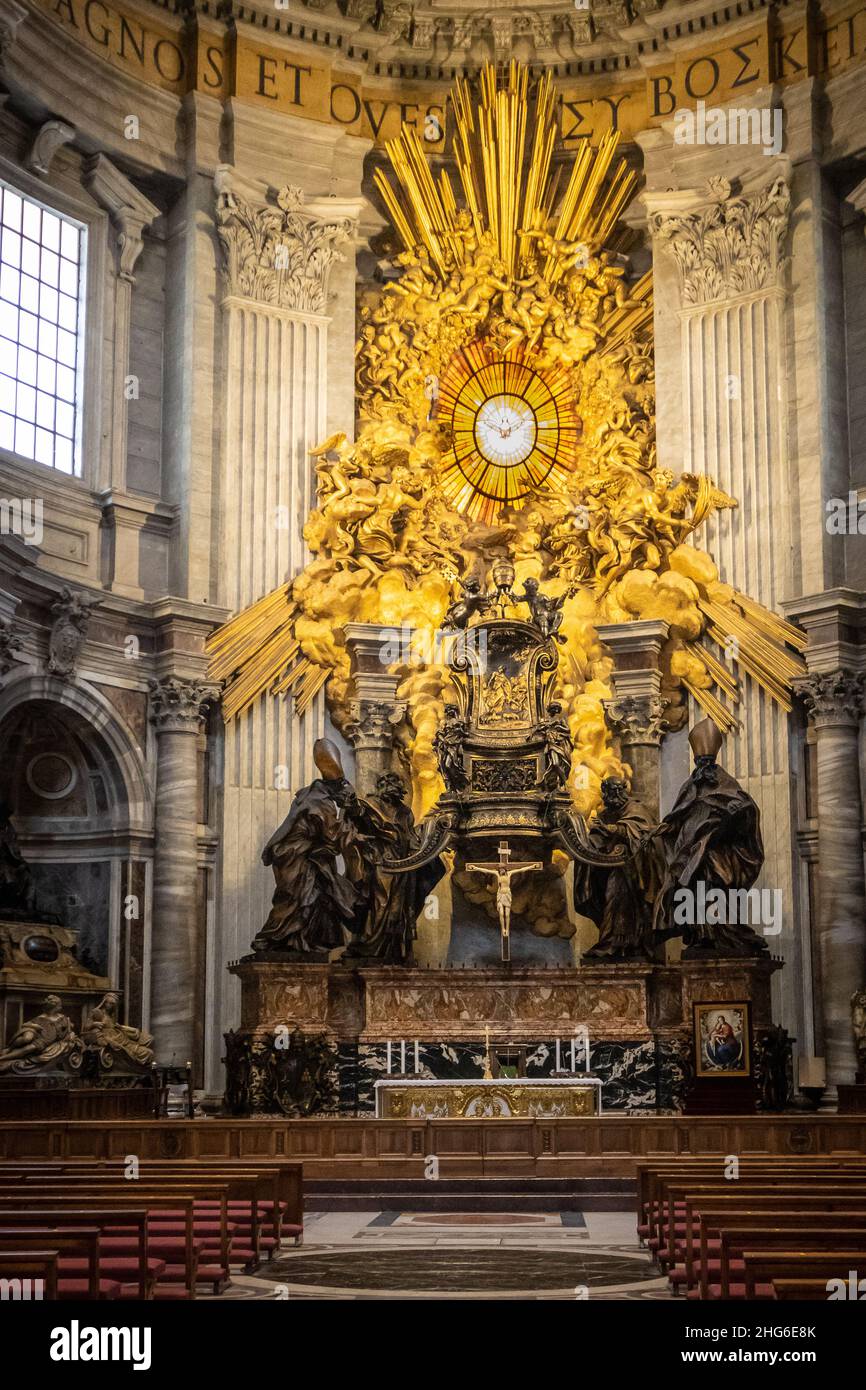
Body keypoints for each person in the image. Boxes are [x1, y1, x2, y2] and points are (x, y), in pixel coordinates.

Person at [654, 718, 767, 956]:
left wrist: (726, 819)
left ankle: (724, 934)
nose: (702, 765)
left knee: (719, 891)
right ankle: (702, 935)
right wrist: (669, 829)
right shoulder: (690, 786)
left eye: (706, 762)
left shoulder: (726, 784)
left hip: (718, 853)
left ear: (713, 762)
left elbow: (747, 808)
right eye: (699, 761)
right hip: (693, 854)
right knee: (696, 893)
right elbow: (679, 816)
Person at [253, 739, 364, 955]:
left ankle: (304, 942)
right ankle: (272, 938)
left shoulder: (313, 793)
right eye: (343, 798)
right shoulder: (319, 801)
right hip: (295, 857)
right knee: (296, 899)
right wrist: (350, 817)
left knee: (317, 899)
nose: (342, 802)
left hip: (303, 856)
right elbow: (332, 836)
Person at [574, 777, 661, 960]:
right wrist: (586, 844)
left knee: (617, 900)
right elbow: (597, 839)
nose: (606, 797)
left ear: (619, 792)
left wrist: (611, 829)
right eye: (604, 793)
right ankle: (614, 943)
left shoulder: (636, 809)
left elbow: (637, 831)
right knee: (612, 901)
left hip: (633, 874)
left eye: (609, 793)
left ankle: (616, 944)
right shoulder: (607, 813)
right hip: (614, 870)